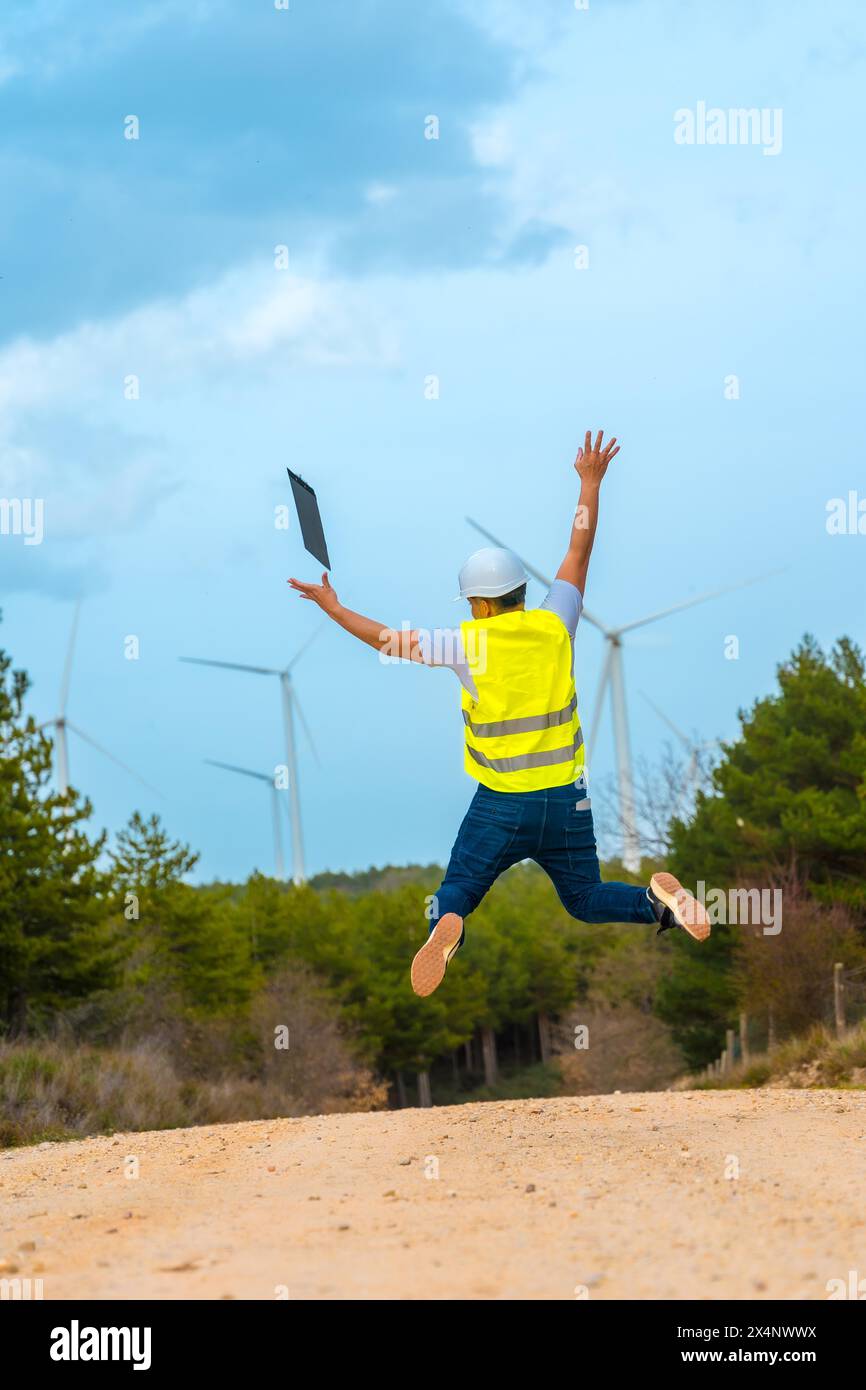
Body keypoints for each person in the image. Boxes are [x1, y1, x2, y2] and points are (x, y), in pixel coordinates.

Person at [289, 430, 710, 998]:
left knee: (456, 888)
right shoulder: (555, 621)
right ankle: (655, 903)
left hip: (502, 803)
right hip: (567, 799)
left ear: (481, 604)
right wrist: (590, 482)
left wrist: (334, 607)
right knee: (585, 899)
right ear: (519, 592)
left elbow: (386, 641)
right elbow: (578, 553)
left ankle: (450, 924)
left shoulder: (466, 644)